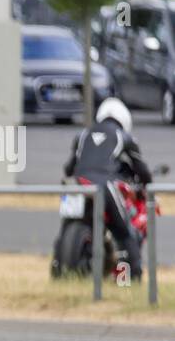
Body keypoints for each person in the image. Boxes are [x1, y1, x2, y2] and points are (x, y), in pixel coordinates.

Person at [65, 97, 153, 278]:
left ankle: (60, 272)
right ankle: (130, 279)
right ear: (124, 119)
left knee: (65, 226)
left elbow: (69, 168)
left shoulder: (82, 135)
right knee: (124, 232)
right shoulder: (125, 136)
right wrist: (146, 184)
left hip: (77, 184)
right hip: (105, 185)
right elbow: (143, 171)